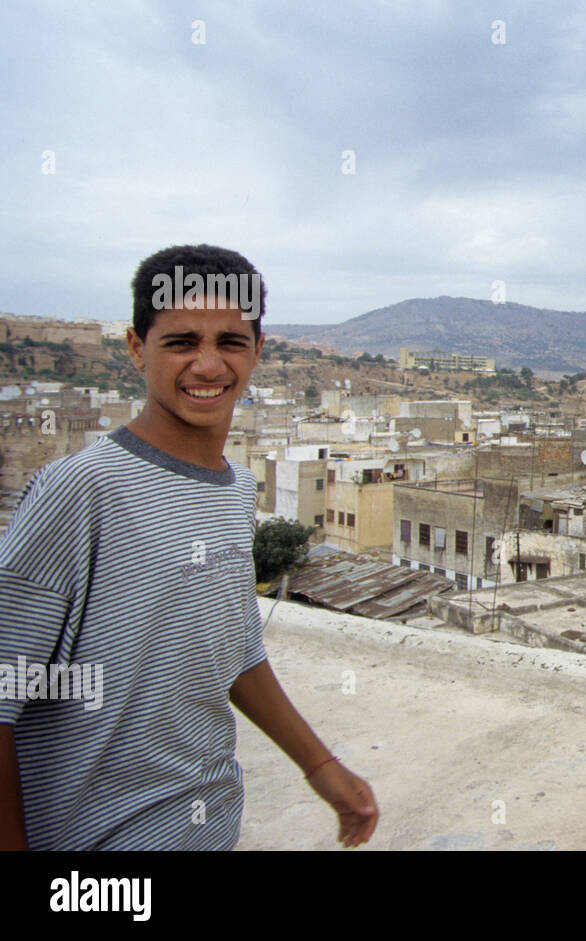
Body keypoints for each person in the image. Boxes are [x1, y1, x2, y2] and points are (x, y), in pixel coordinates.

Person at [0, 244, 378, 849]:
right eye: (180, 342)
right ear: (134, 348)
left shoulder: (233, 492)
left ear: (257, 350)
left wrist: (320, 766)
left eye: (229, 341)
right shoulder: (80, 489)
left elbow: (232, 650)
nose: (207, 365)